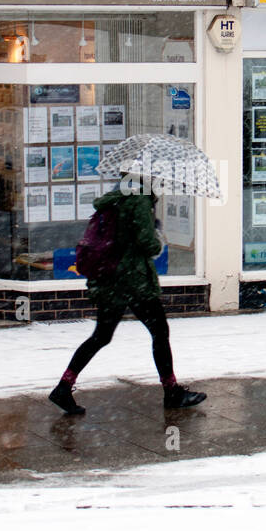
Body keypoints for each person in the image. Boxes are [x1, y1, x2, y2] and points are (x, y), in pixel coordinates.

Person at [50, 175, 205, 414]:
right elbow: (145, 242)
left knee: (101, 336)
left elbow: (121, 236)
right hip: (132, 281)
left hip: (110, 278)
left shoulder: (116, 196)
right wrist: (158, 240)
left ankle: (64, 386)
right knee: (160, 332)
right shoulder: (139, 199)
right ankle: (172, 391)